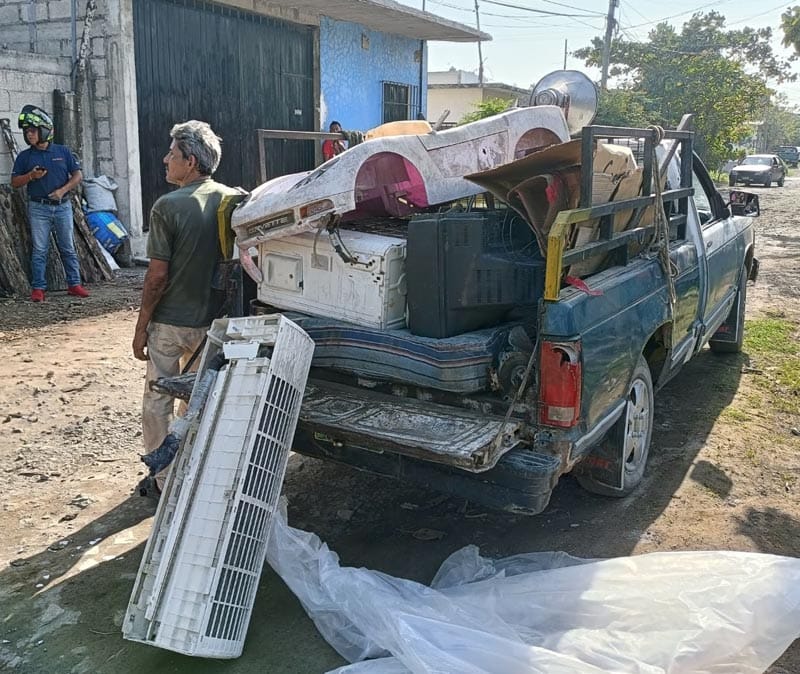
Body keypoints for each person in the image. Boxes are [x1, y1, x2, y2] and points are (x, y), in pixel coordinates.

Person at [132, 120, 238, 490]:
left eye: (172, 154)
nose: (165, 160)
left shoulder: (168, 207)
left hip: (171, 324)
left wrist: (141, 324)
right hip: (216, 323)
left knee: (158, 397)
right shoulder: (234, 198)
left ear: (190, 161)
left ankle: (163, 477)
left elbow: (156, 277)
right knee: (199, 396)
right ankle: (193, 466)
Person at [11, 105, 89, 302]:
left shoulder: (63, 151)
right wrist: (31, 176)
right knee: (40, 249)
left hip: (62, 206)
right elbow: (14, 182)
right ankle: (38, 288)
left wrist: (62, 190)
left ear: (44, 130)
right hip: (38, 207)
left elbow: (78, 175)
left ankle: (74, 284)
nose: (29, 135)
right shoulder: (25, 156)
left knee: (68, 247)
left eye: (33, 131)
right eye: (27, 131)